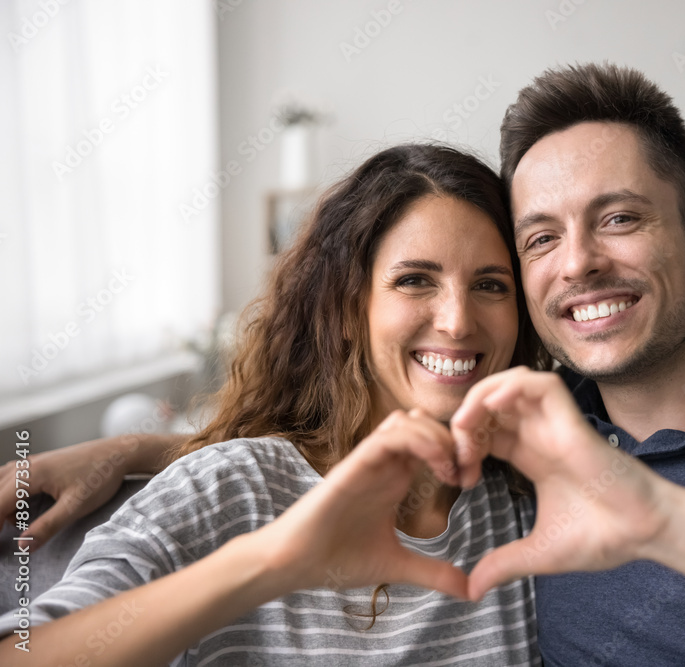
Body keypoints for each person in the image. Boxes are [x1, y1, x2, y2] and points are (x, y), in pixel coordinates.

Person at [6, 63, 685, 666]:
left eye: (619, 218)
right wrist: (144, 454)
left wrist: (676, 523)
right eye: (539, 239)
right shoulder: (510, 441)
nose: (578, 263)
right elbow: (312, 466)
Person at [0, 143, 550, 665]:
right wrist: (271, 562)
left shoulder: (526, 498)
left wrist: (135, 446)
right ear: (344, 312)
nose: (457, 320)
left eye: (491, 285)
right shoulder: (230, 489)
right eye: (413, 280)